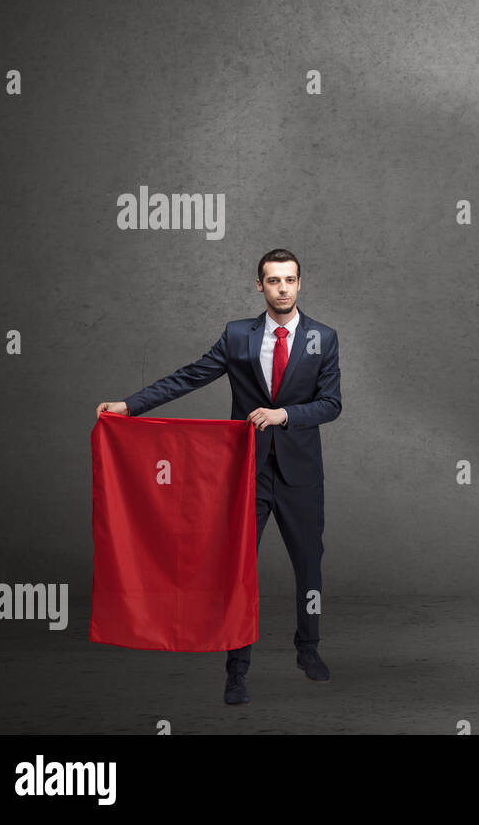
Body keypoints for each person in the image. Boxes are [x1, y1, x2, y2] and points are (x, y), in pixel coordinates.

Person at [96, 248, 342, 703]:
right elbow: (188, 377)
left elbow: (331, 404)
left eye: (289, 280)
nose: (282, 288)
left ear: (300, 284)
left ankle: (308, 650)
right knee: (238, 572)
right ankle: (237, 670)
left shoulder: (323, 339)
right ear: (259, 286)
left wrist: (284, 413)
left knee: (309, 568)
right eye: (273, 281)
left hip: (301, 477)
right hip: (246, 473)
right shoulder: (237, 336)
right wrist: (130, 405)